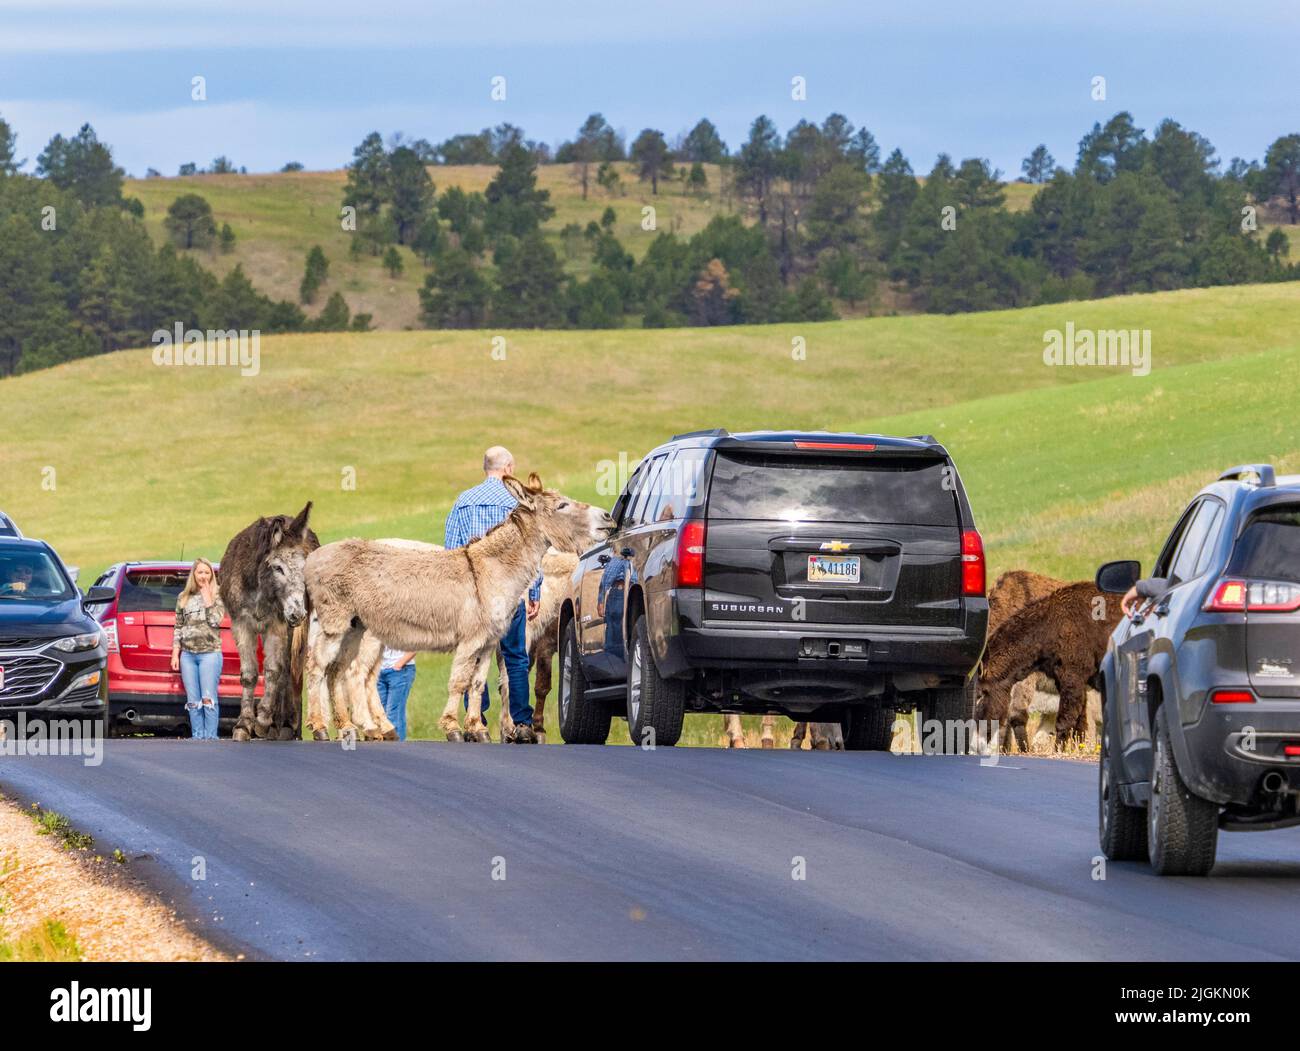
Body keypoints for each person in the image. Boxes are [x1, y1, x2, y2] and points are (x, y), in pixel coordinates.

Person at [444, 445, 541, 743]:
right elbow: (532, 550)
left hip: (474, 597)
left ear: (485, 467)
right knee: (516, 657)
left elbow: (451, 552)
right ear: (509, 468)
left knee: (472, 655)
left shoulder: (463, 502)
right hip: (510, 594)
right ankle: (523, 722)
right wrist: (534, 592)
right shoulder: (518, 502)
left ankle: (477, 718)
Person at [170, 558, 225, 740]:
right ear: (194, 574)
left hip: (209, 653)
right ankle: (197, 736)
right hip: (188, 655)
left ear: (212, 576)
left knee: (208, 699)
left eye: (207, 573)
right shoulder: (183, 598)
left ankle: (210, 737)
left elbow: (216, 621)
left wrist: (207, 596)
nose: (203, 576)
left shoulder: (218, 596)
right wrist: (175, 653)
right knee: (193, 701)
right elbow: (178, 626)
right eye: (200, 572)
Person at [376, 646, 417, 740]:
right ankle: (383, 749)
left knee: (394, 712)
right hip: (380, 672)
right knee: (380, 713)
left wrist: (399, 664)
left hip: (400, 670)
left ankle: (396, 748)